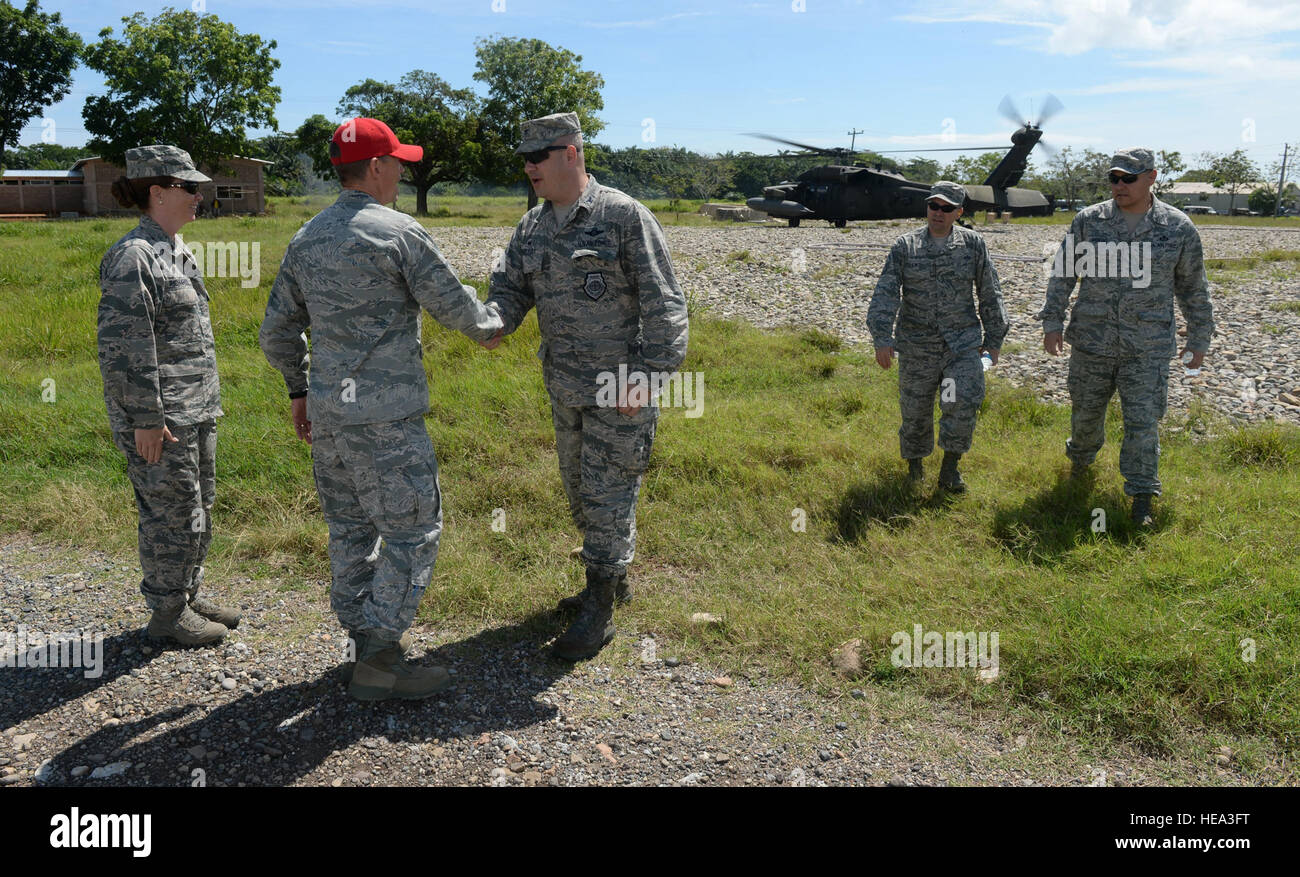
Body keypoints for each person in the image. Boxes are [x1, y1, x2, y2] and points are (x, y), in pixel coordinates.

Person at [259, 118, 503, 701]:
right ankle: (381, 656)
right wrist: (493, 324)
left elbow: (276, 333)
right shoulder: (397, 233)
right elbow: (458, 310)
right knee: (414, 533)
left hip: (330, 418)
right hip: (386, 421)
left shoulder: (306, 237)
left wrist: (300, 390)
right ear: (375, 167)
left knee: (349, 531)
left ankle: (361, 647)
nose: (402, 171)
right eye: (397, 162)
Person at [484, 112, 688, 661]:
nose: (529, 167)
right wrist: (494, 322)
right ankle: (612, 578)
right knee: (580, 491)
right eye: (523, 158)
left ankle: (599, 605)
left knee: (608, 494)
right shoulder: (532, 227)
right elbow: (509, 289)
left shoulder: (623, 216)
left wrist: (648, 378)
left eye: (538, 156)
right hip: (565, 387)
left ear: (571, 153)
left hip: (621, 389)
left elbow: (666, 305)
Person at [98, 144, 237, 646]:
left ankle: (187, 594)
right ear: (157, 193)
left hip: (195, 409)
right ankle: (166, 613)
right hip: (160, 418)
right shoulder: (134, 257)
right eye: (189, 188)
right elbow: (124, 348)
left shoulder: (175, 249)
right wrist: (145, 419)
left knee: (199, 507)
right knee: (169, 516)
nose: (199, 196)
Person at [1038, 148, 1213, 526]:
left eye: (1128, 179)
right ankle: (1080, 465)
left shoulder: (1177, 227)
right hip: (1092, 342)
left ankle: (1142, 495)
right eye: (1114, 179)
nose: (1119, 185)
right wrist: (1052, 321)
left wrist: (1198, 339)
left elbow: (1193, 287)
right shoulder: (1089, 221)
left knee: (1143, 422)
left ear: (1151, 177)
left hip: (1147, 348)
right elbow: (1063, 273)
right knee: (1085, 416)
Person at [867, 181, 1008, 492]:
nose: (938, 213)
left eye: (946, 208)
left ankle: (949, 469)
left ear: (958, 212)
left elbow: (990, 292)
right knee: (915, 412)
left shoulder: (973, 244)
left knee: (959, 403)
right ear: (927, 207)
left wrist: (994, 340)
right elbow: (886, 293)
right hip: (917, 345)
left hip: (961, 345)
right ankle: (915, 469)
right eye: (934, 206)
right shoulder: (905, 246)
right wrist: (882, 338)